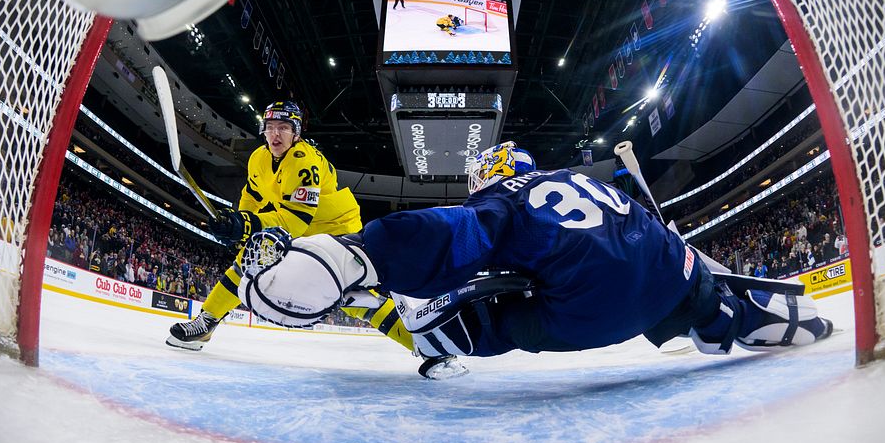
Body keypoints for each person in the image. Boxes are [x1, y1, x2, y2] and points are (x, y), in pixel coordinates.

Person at [236, 142, 834, 366]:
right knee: (665, 261)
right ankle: (734, 317)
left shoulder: (504, 199)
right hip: (665, 273)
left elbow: (454, 233)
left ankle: (443, 341)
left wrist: (359, 253)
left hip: (594, 312)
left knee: (497, 308)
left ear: (498, 171)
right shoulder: (587, 180)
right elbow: (640, 230)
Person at [166, 101, 464, 379]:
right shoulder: (258, 158)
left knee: (354, 298)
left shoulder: (304, 161)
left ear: (296, 133)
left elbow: (296, 221)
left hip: (336, 229)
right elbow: (253, 197)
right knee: (248, 262)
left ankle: (432, 350)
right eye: (271, 127)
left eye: (283, 128)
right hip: (295, 222)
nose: (275, 134)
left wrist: (246, 226)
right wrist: (238, 221)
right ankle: (205, 324)